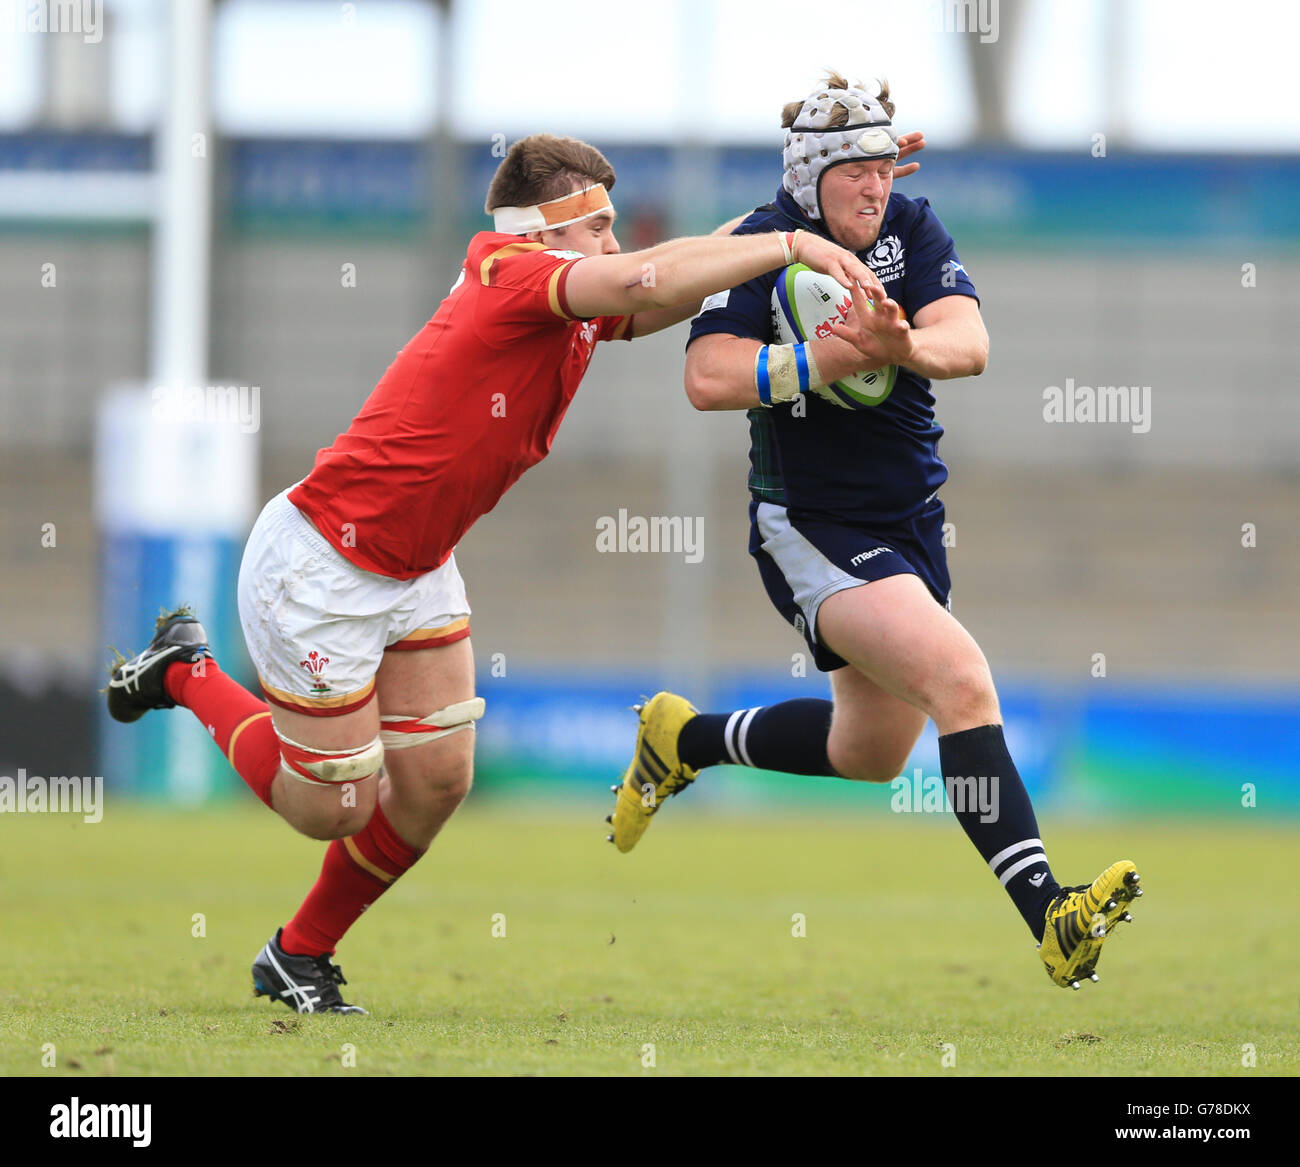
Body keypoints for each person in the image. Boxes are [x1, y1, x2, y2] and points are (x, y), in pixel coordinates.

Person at [106, 132, 885, 1014]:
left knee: (437, 782)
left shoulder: (573, 293)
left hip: (415, 564)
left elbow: (662, 280)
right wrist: (792, 244)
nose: (614, 241)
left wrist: (796, 208)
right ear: (545, 232)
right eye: (596, 224)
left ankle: (298, 954)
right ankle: (185, 668)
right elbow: (646, 279)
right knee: (335, 808)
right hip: (321, 563)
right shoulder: (510, 273)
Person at [607, 75, 1143, 991]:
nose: (876, 187)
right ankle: (1053, 914)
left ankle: (682, 740)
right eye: (857, 170)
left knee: (870, 752)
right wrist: (821, 360)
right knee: (962, 680)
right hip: (810, 525)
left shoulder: (911, 230)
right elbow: (706, 374)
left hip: (910, 525)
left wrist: (902, 348)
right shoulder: (755, 245)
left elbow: (967, 343)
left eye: (886, 167)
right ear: (811, 178)